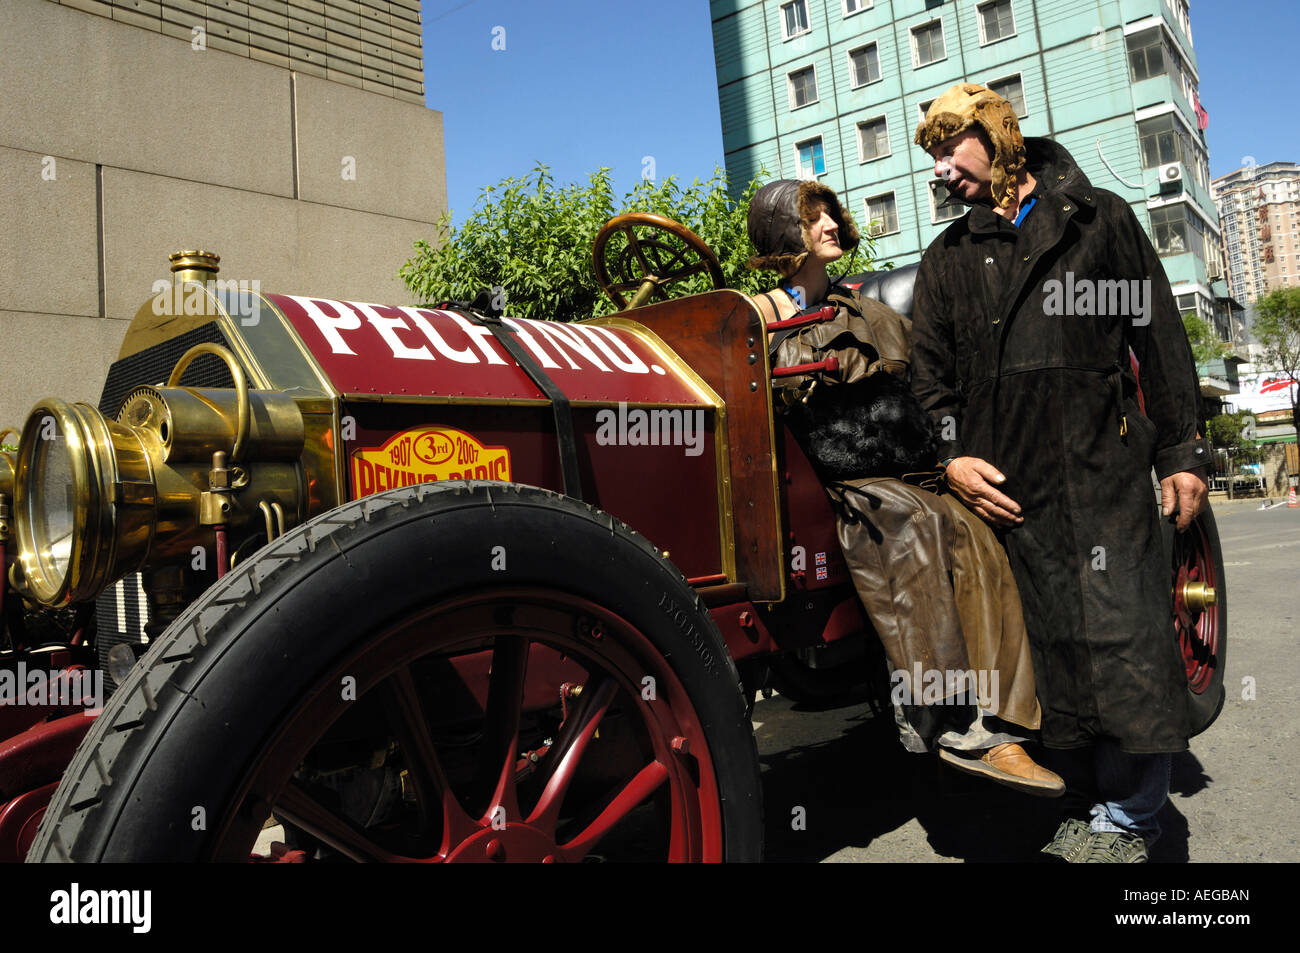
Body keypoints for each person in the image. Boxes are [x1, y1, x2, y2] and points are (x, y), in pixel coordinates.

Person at [910, 83, 1209, 862]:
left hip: (1105, 471)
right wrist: (951, 456)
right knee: (1052, 656)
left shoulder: (1098, 218)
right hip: (1011, 491)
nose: (940, 169)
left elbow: (1157, 336)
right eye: (931, 156)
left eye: (949, 149)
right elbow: (930, 382)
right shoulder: (946, 259)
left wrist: (1181, 451)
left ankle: (1130, 819)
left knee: (1125, 641)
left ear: (996, 134)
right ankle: (1083, 806)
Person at [747, 178, 1064, 796]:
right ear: (785, 232)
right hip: (832, 482)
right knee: (916, 522)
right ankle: (945, 718)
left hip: (907, 469)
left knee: (976, 532)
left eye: (831, 213)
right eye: (813, 218)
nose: (831, 224)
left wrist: (950, 457)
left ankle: (1002, 724)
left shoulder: (868, 312)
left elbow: (926, 383)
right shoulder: (754, 316)